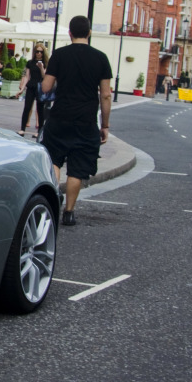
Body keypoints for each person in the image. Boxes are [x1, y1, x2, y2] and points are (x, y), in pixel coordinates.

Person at [40, 16, 113, 227]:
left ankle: (53, 202)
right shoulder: (101, 58)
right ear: (89, 33)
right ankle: (69, 212)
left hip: (60, 117)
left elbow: (46, 87)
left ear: (70, 33)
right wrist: (105, 125)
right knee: (78, 169)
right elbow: (106, 95)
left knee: (53, 160)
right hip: (85, 120)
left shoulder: (60, 55)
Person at [19, 46, 47, 137]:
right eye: (37, 51)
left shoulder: (45, 63)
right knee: (27, 107)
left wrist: (41, 67)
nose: (39, 53)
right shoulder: (30, 63)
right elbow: (27, 76)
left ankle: (39, 131)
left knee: (40, 110)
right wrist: (22, 89)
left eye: (41, 52)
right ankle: (22, 129)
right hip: (31, 86)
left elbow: (44, 76)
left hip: (40, 87)